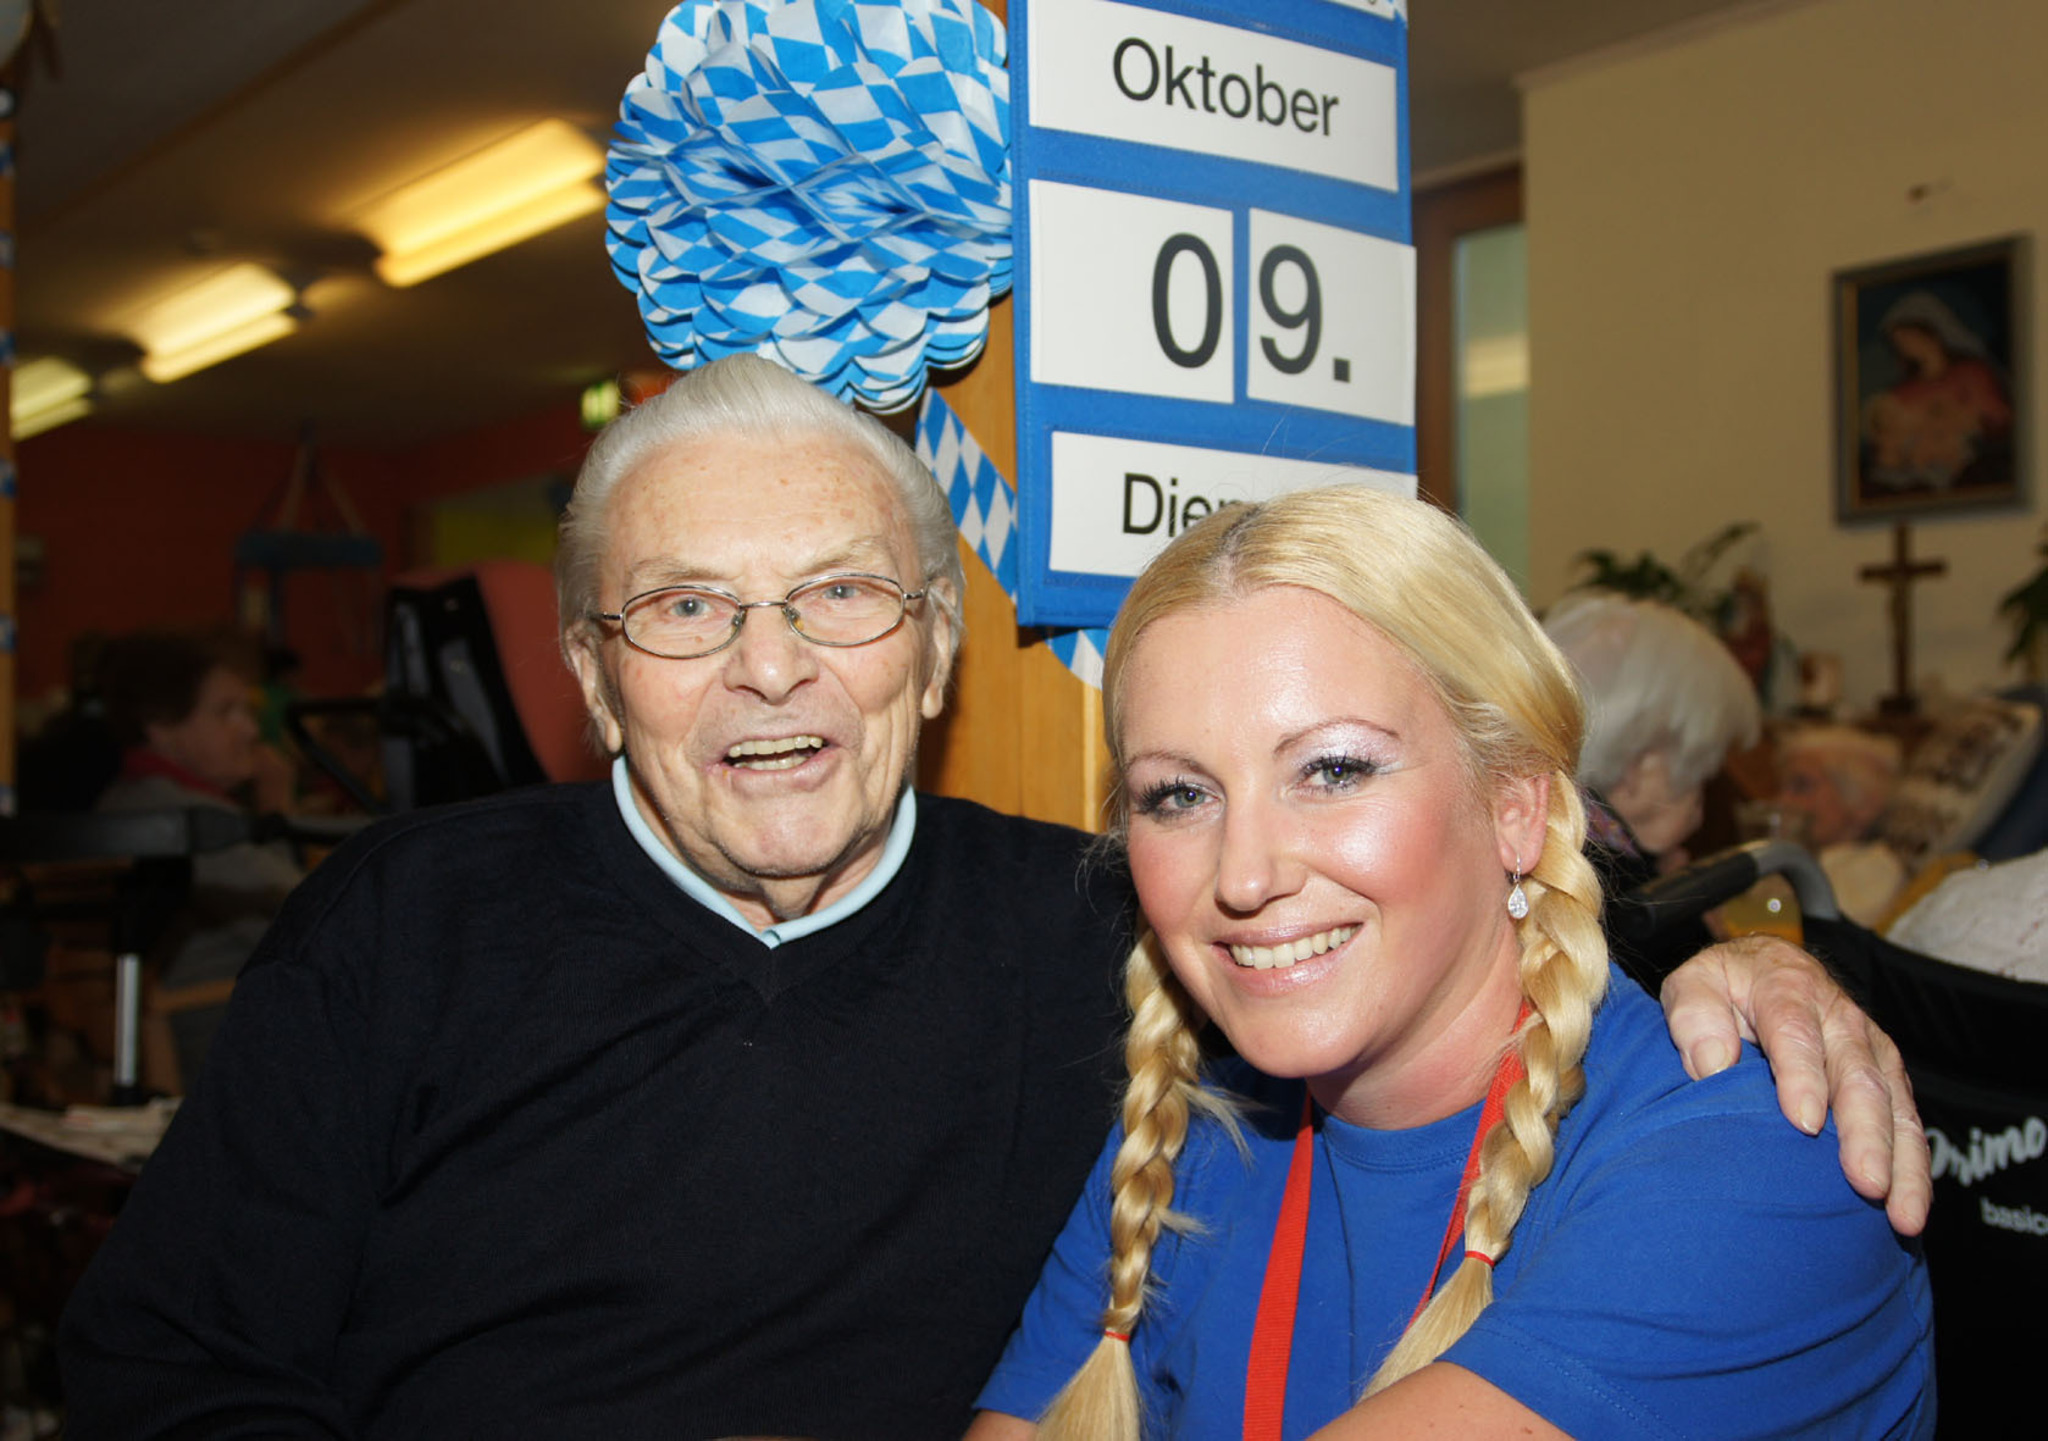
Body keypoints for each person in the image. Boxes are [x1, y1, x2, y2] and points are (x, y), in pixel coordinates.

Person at [60, 358, 1928, 1440]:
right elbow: (163, 1367)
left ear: (940, 646)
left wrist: (1756, 966)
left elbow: (1508, 911)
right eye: (689, 608)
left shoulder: (1108, 941)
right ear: (592, 670)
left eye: (842, 595)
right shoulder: (406, 922)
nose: (772, 666)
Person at [970, 487, 1934, 1440]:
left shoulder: (1755, 1162)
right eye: (1180, 795)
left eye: (1333, 770)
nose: (1244, 875)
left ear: (1515, 801)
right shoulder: (1191, 1138)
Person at [95, 629, 306, 1082]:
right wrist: (279, 809)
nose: (251, 729)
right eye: (226, 711)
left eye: (248, 710)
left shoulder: (126, 799)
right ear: (161, 726)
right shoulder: (185, 821)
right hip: (221, 1043)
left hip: (191, 1033)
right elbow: (307, 922)